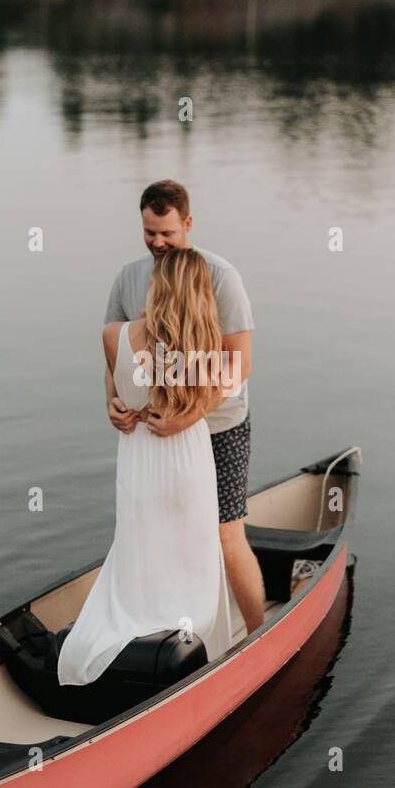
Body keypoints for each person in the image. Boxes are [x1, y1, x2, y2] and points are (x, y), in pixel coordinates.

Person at [56, 247, 233, 687]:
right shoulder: (203, 344)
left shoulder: (113, 335)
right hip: (188, 459)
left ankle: (140, 637)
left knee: (141, 549)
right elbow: (217, 392)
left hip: (138, 462)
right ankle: (200, 655)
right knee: (194, 558)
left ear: (157, 286)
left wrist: (114, 404)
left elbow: (118, 387)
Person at [103, 180, 266, 635]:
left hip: (217, 426)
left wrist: (192, 416)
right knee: (162, 534)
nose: (157, 243)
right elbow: (114, 353)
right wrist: (112, 403)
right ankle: (174, 633)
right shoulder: (129, 278)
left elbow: (241, 362)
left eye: (167, 233)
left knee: (224, 533)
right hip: (156, 433)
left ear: (187, 224)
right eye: (149, 232)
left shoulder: (220, 277)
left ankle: (256, 633)